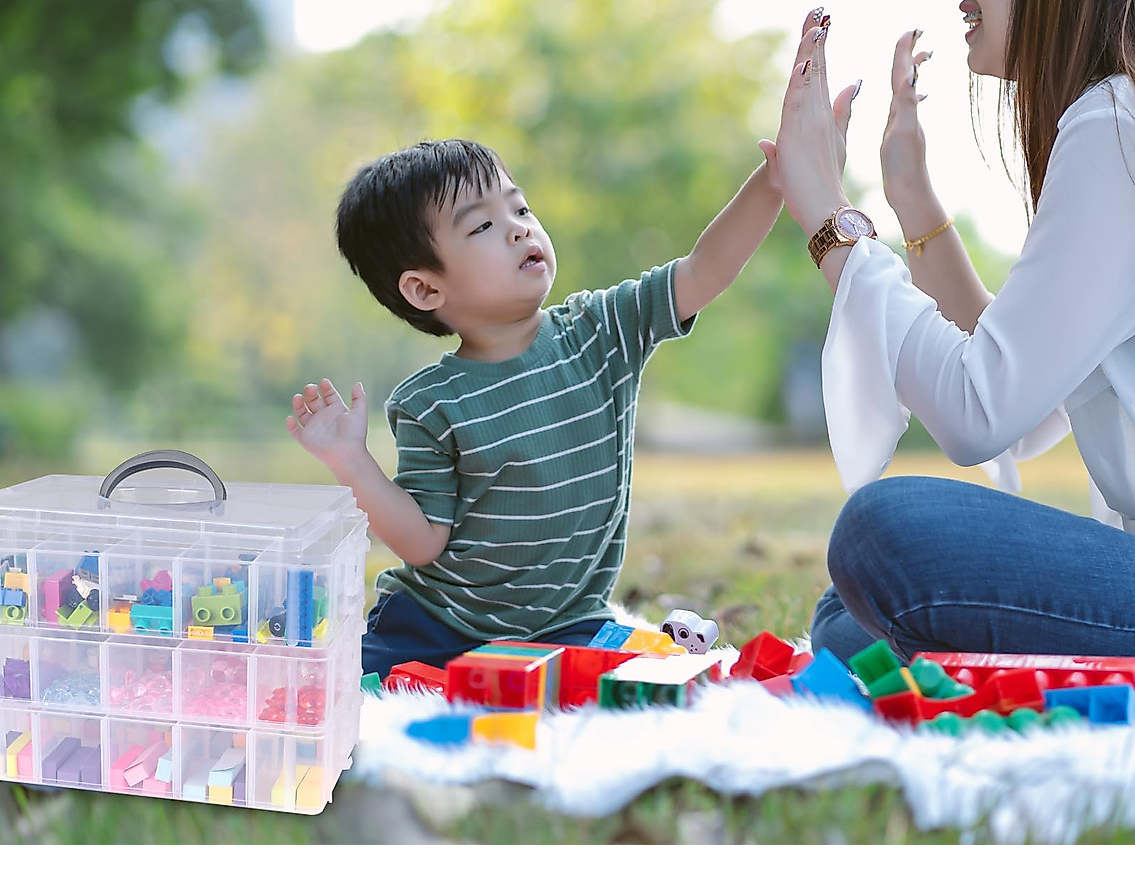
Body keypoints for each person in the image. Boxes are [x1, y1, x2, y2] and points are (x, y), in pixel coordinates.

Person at [760, 0, 1135, 665]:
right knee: (851, 614)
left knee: (886, 533)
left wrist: (828, 217)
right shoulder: (1118, 121)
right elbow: (1029, 403)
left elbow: (979, 414)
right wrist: (911, 199)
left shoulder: (1114, 124)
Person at [287, 137, 782, 678]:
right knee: (340, 696)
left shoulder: (601, 332)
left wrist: (775, 180)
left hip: (565, 623)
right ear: (426, 290)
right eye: (482, 226)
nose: (520, 227)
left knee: (625, 689)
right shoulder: (432, 403)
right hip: (436, 626)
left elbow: (703, 272)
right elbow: (423, 541)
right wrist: (351, 462)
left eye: (519, 208)